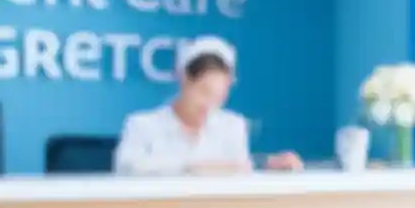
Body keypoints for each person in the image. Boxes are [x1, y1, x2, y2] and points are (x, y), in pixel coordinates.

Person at [113, 36, 303, 175]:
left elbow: (241, 172)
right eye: (204, 92)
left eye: (218, 97)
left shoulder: (232, 125)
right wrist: (190, 167)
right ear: (184, 80)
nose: (208, 105)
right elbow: (126, 167)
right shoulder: (142, 125)